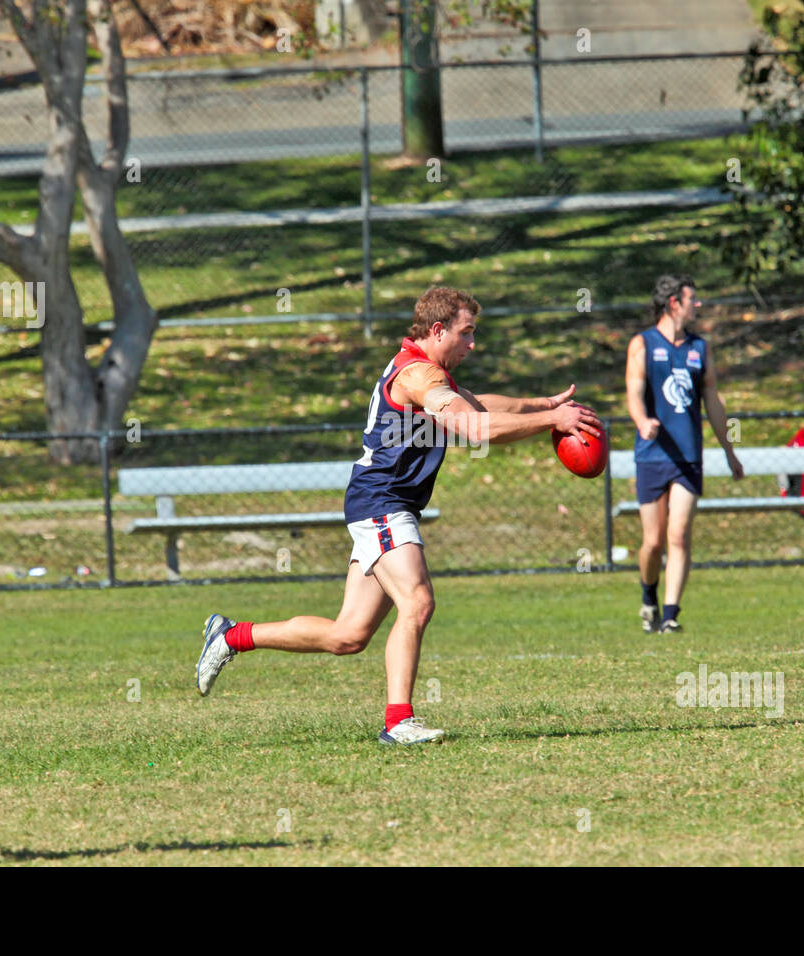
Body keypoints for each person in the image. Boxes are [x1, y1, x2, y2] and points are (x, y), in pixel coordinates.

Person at [194, 287, 600, 744]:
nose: (472, 344)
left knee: (347, 636)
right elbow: (472, 427)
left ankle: (231, 636)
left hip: (382, 504)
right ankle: (398, 722)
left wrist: (545, 405)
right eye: (466, 333)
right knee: (418, 602)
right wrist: (551, 423)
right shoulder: (419, 375)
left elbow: (481, 406)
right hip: (383, 503)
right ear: (437, 329)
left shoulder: (427, 374)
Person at [624, 274, 743, 634]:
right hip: (652, 454)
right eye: (693, 299)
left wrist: (729, 451)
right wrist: (643, 420)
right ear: (674, 302)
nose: (698, 305)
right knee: (653, 541)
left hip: (688, 456)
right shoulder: (642, 344)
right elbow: (633, 391)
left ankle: (672, 614)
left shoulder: (700, 348)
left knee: (678, 535)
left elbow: (713, 402)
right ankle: (649, 597)